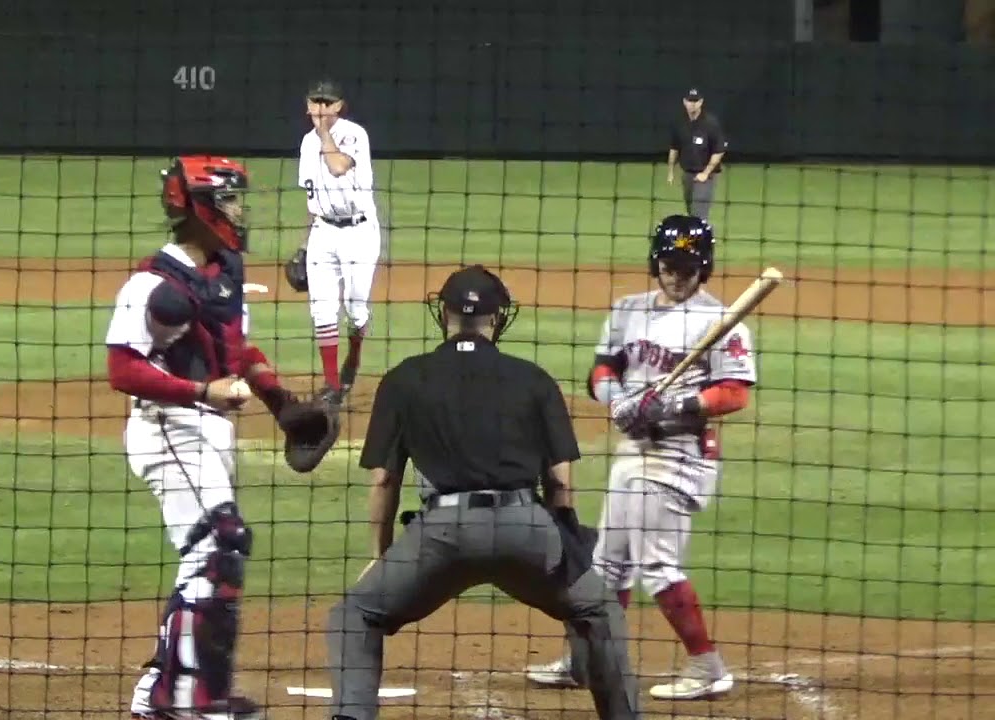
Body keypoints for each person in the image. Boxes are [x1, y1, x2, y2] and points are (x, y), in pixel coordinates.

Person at [326, 265, 642, 720]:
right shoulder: (532, 379)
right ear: (498, 318)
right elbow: (560, 481)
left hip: (441, 537)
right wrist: (564, 542)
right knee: (599, 609)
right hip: (525, 530)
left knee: (354, 617)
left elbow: (385, 481)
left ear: (445, 313)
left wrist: (380, 554)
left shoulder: (404, 378)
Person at [108, 155, 339, 720]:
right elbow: (122, 369)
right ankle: (189, 699)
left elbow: (239, 351)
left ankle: (166, 689)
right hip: (168, 429)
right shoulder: (152, 283)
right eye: (229, 200)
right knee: (219, 545)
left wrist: (280, 401)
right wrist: (201, 392)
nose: (240, 211)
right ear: (196, 207)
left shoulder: (224, 271)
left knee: (208, 555)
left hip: (209, 433)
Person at [523, 215, 757, 702]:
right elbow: (602, 369)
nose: (677, 274)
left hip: (679, 453)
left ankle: (708, 667)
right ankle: (585, 661)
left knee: (657, 565)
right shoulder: (629, 310)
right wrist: (617, 399)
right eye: (670, 264)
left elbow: (734, 393)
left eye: (688, 267)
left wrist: (677, 404)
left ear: (704, 267)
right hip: (633, 451)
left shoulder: (721, 321)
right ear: (657, 262)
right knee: (608, 566)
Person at [283, 78, 382, 407]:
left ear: (340, 106)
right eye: (316, 102)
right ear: (307, 105)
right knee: (322, 309)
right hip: (324, 232)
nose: (321, 109)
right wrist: (303, 244)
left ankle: (352, 358)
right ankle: (331, 383)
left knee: (355, 309)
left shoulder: (354, 135)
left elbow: (338, 167)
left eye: (328, 103)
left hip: (359, 233)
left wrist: (324, 133)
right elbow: (312, 200)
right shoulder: (305, 143)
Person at [666, 88, 725, 221]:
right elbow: (674, 148)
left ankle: (704, 241)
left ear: (701, 102)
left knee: (699, 214)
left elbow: (719, 150)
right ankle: (698, 239)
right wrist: (670, 171)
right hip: (687, 175)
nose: (692, 104)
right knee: (692, 213)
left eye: (695, 101)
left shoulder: (710, 123)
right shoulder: (680, 123)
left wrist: (706, 172)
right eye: (690, 101)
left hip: (706, 176)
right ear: (684, 102)